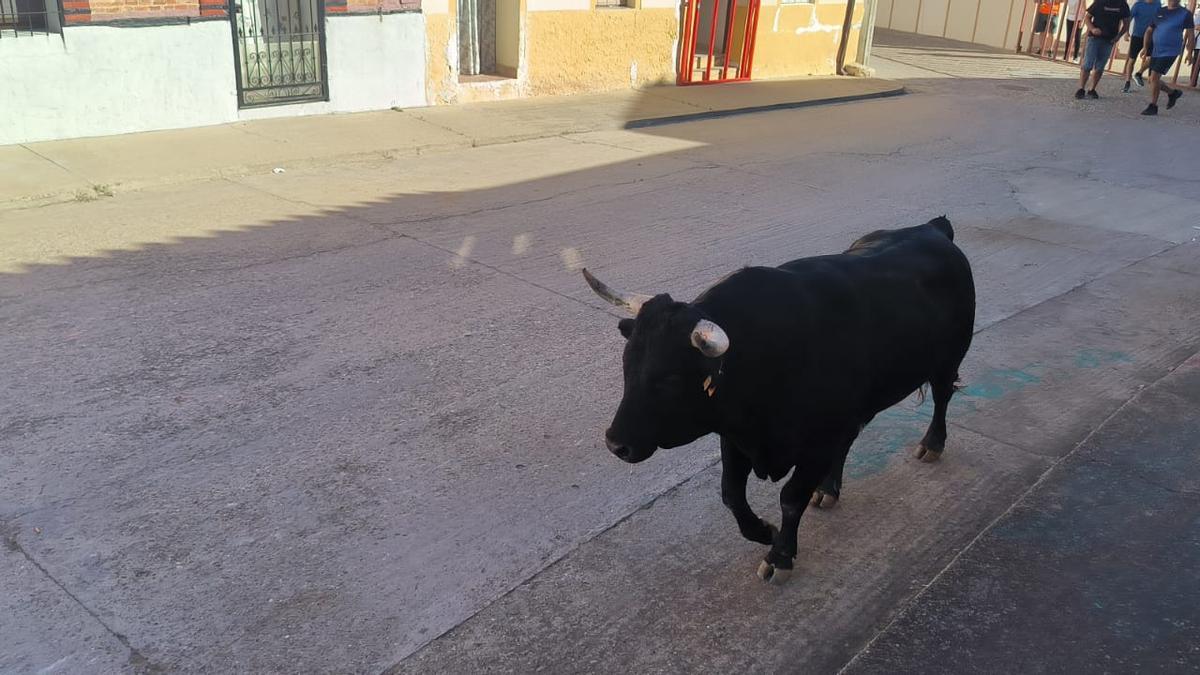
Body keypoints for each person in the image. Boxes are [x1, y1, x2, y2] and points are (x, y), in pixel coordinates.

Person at [1141, 0, 1196, 115]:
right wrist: (1145, 47)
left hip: (1171, 51)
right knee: (1152, 80)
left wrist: (1189, 53)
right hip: (1156, 50)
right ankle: (1172, 93)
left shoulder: (1185, 14)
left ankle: (1153, 106)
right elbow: (1149, 30)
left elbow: (1191, 35)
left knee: (1154, 77)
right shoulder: (1160, 11)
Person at [1075, 0, 1131, 99]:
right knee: (1087, 64)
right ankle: (1081, 89)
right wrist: (1092, 29)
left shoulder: (1122, 4)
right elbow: (1087, 17)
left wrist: (1118, 36)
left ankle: (1092, 89)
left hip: (1109, 40)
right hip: (1094, 38)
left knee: (1100, 67)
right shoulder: (1099, 2)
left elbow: (1126, 23)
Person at [1123, 0, 1162, 92]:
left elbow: (1160, 18)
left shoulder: (1158, 3)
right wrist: (1126, 32)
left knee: (1152, 58)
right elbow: (1129, 18)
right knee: (1132, 59)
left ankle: (1139, 73)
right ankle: (1127, 82)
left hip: (1152, 36)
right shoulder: (1138, 4)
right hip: (1138, 35)